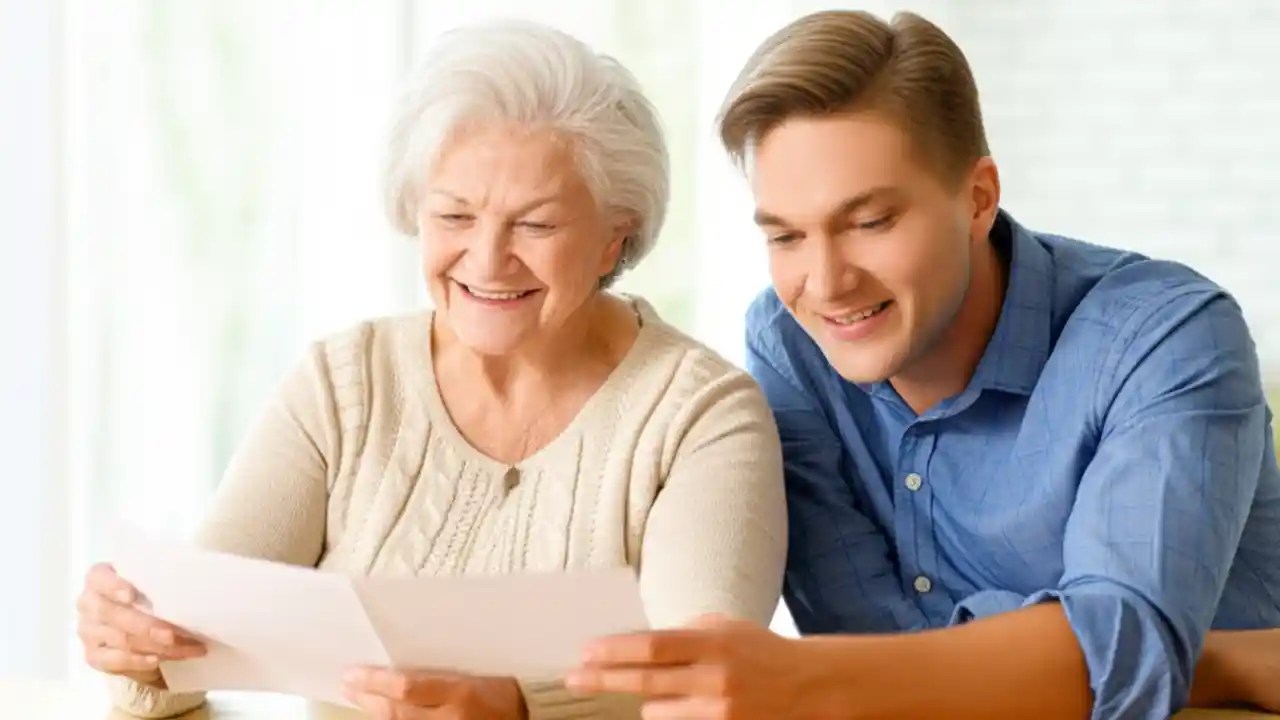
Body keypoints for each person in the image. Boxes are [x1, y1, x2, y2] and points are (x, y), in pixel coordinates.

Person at [567, 10, 1280, 719]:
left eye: (871, 222)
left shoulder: (1164, 334)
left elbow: (1118, 657)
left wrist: (1116, 650)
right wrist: (1200, 658)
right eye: (786, 235)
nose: (826, 281)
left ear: (978, 199)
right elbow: (871, 645)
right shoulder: (789, 342)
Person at [75, 20, 786, 720]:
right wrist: (135, 646)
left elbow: (707, 693)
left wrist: (520, 709)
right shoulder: (344, 384)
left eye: (535, 225)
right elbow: (191, 647)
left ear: (613, 239)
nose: (486, 260)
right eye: (454, 216)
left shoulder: (701, 416)